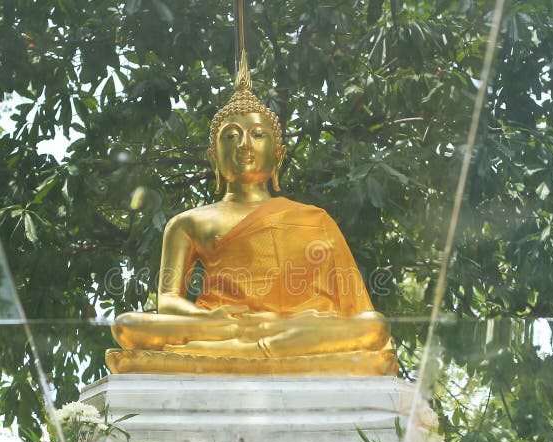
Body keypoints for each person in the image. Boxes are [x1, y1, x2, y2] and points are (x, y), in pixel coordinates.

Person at [110, 51, 395, 374]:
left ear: (279, 156)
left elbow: (352, 309)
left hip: (294, 327)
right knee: (127, 326)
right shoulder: (187, 223)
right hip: (224, 329)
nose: (244, 144)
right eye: (230, 136)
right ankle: (268, 351)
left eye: (258, 135)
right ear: (213, 157)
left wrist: (271, 325)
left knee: (372, 326)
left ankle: (261, 349)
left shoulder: (315, 219)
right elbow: (168, 302)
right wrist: (210, 319)